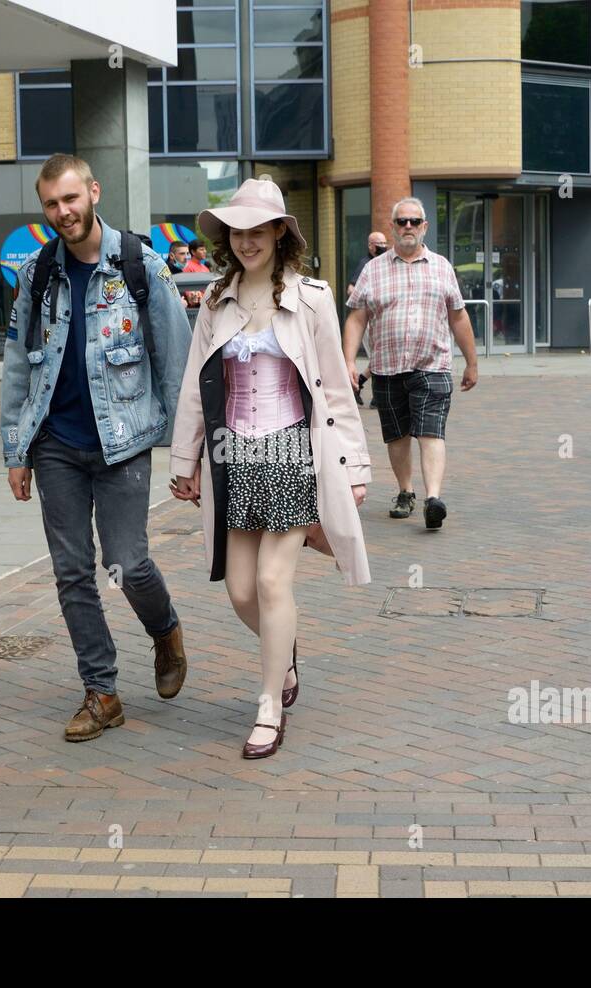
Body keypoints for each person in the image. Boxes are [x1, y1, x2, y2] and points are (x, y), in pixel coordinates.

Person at [167, 178, 371, 759]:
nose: (247, 241)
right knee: (238, 591)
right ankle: (283, 653)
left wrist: (354, 464)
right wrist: (186, 458)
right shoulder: (214, 299)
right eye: (238, 231)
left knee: (272, 582)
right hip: (233, 456)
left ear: (280, 233)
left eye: (258, 230)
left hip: (288, 453)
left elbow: (335, 387)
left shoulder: (311, 298)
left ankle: (267, 705)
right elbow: (192, 386)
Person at [0, 154, 193, 742]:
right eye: (52, 204)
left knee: (127, 564)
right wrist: (16, 450)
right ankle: (102, 692)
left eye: (71, 199)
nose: (63, 212)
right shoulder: (37, 275)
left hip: (124, 443)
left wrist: (186, 456)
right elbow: (16, 364)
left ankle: (164, 630)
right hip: (56, 444)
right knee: (72, 572)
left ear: (93, 192)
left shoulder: (142, 267)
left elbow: (177, 365)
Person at [343, 196, 479, 530]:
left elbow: (458, 318)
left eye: (414, 222)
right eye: (401, 221)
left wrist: (471, 363)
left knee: (431, 431)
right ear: (392, 227)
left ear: (424, 227)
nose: (407, 227)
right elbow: (357, 318)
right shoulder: (373, 270)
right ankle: (406, 491)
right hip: (387, 368)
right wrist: (348, 360)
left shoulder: (442, 267)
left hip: (432, 365)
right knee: (398, 436)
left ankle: (433, 498)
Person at [345, 231, 389, 406]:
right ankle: (377, 397)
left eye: (386, 243)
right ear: (371, 245)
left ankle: (357, 385)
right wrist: (370, 300)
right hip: (369, 321)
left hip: (381, 321)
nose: (384, 247)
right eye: (380, 243)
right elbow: (351, 289)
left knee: (379, 359)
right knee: (379, 360)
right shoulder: (366, 264)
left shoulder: (383, 263)